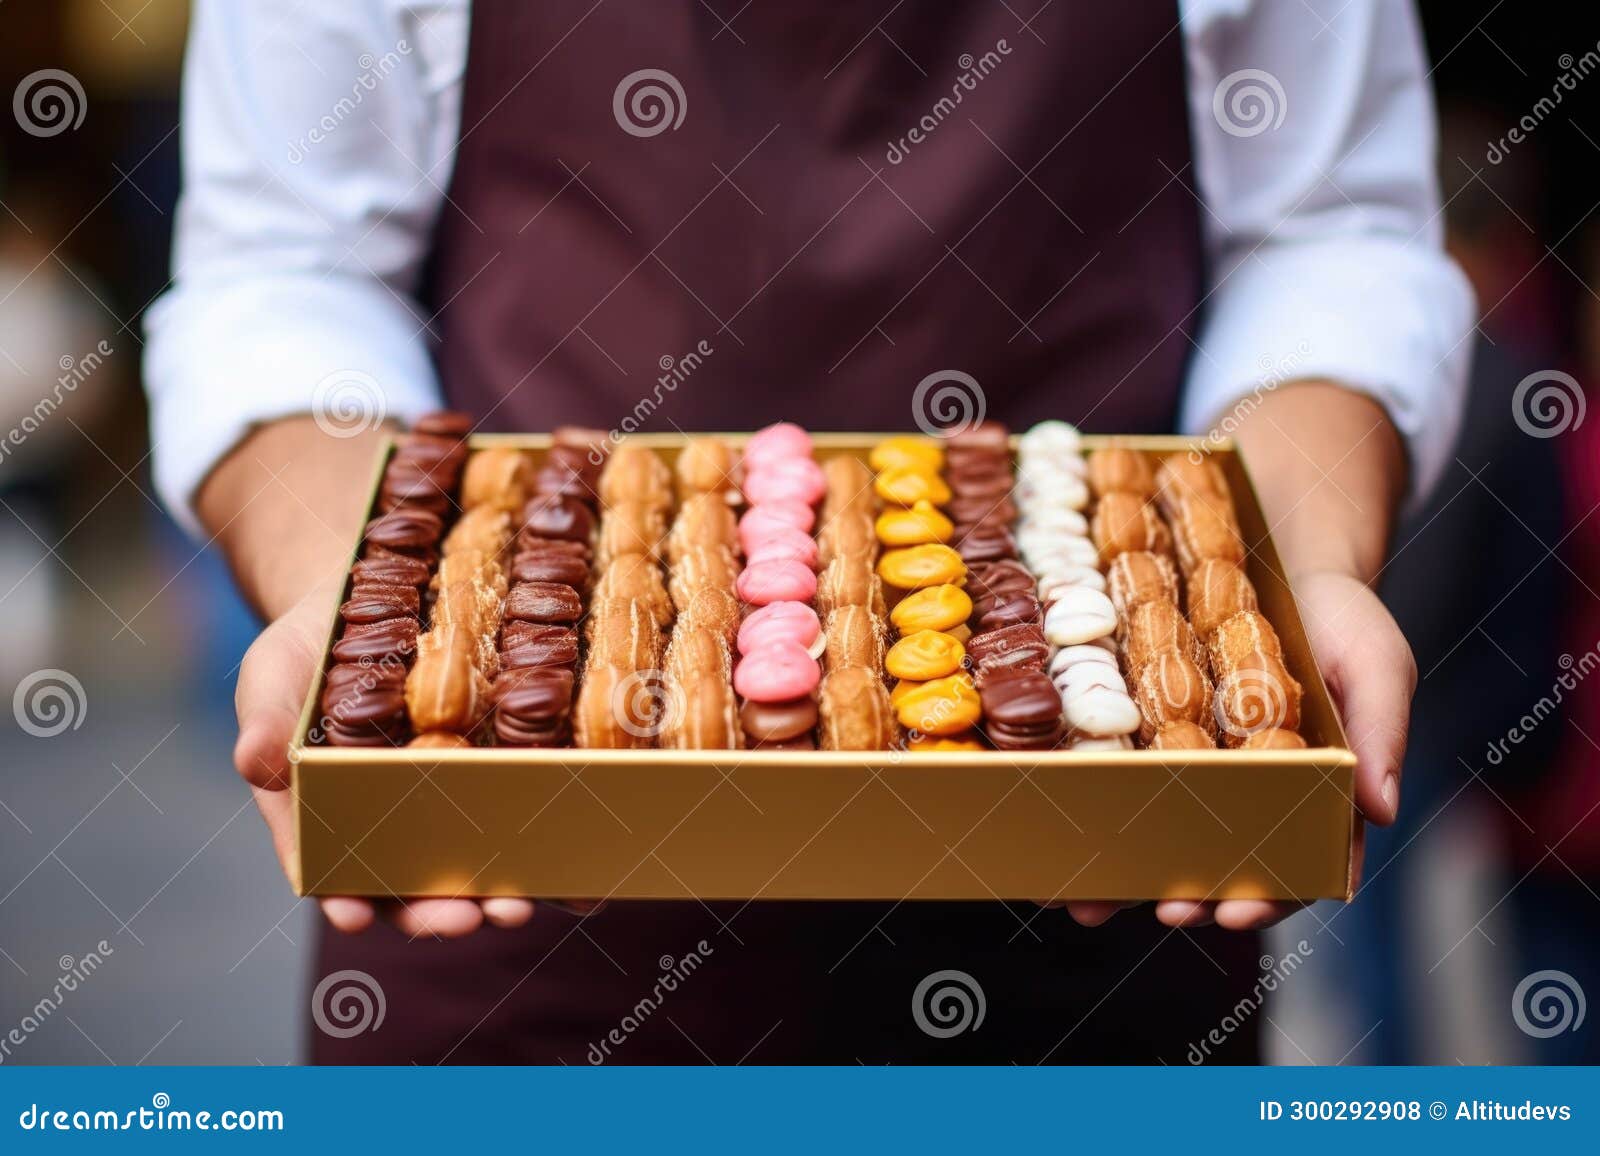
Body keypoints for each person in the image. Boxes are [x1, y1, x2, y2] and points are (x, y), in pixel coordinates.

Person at [143, 0, 1474, 1064]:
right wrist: (356, 591)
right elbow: (285, 267)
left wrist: (1297, 569)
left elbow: (1327, 230)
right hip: (512, 885)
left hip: (1103, 874)